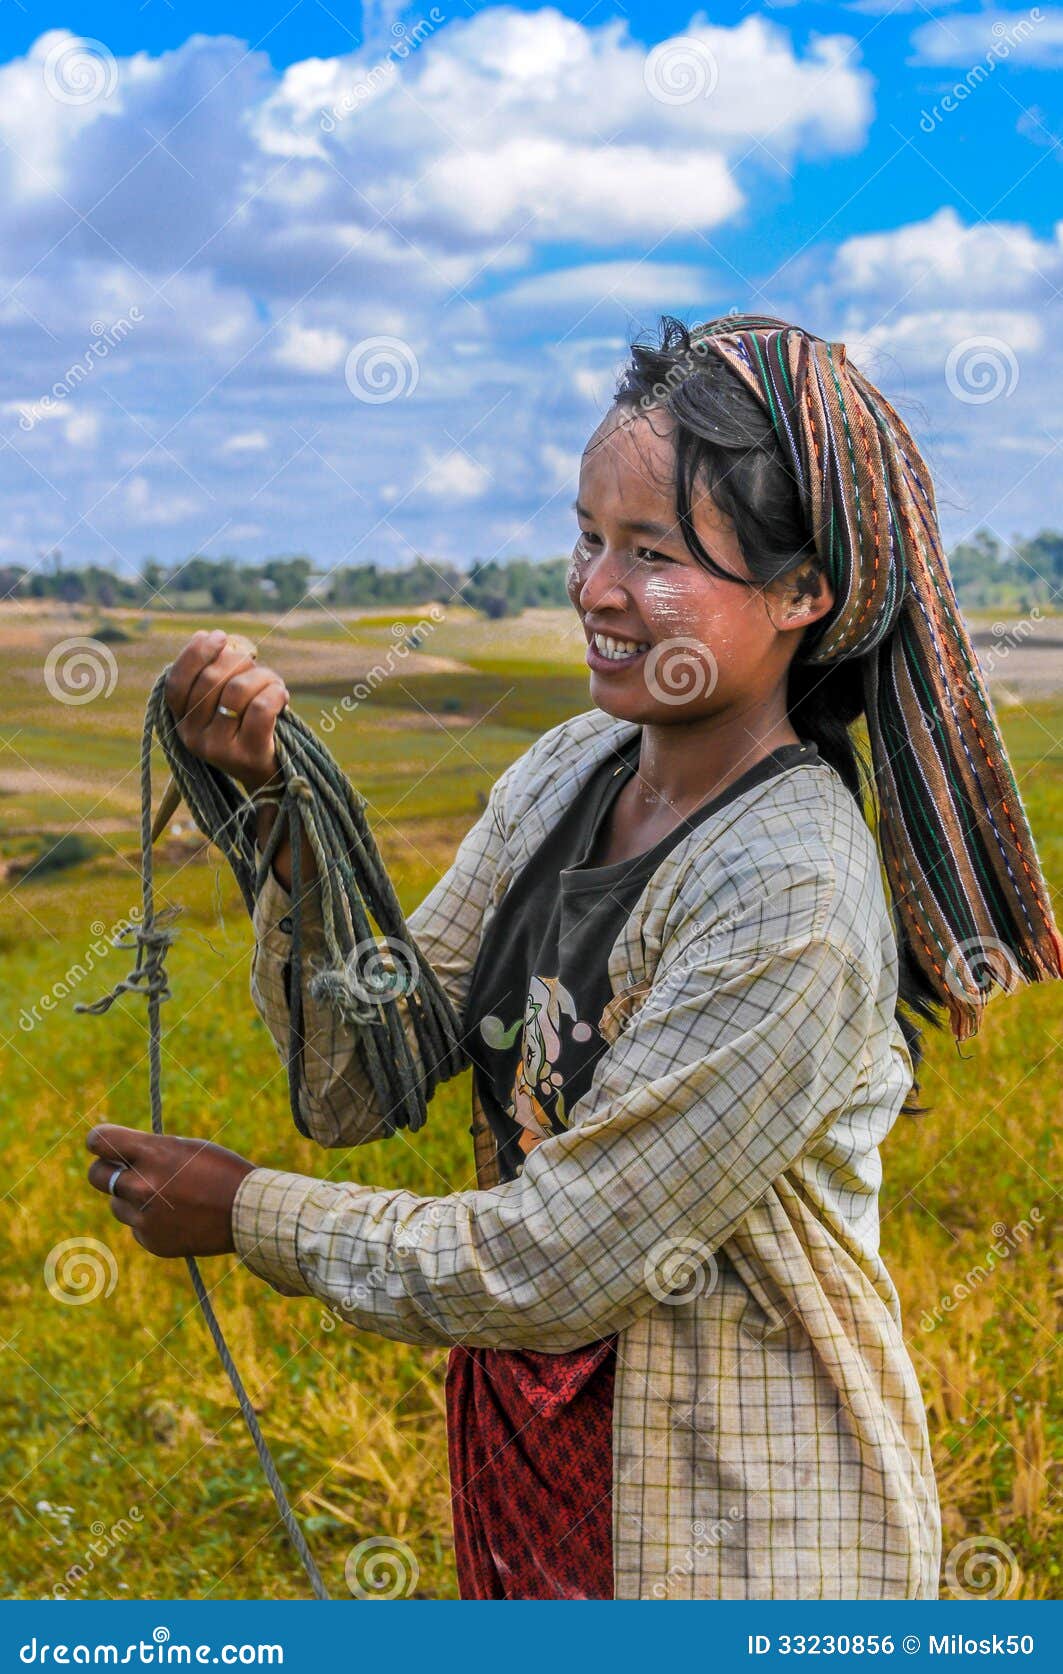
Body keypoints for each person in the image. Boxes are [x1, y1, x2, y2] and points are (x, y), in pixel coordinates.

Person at [85, 314, 1063, 1600]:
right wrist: (284, 817)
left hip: (741, 1533)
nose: (596, 589)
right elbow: (365, 1076)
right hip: (537, 1463)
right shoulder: (569, 771)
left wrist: (248, 1211)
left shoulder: (790, 888)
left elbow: (555, 1261)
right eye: (587, 537)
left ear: (803, 590)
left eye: (652, 554)